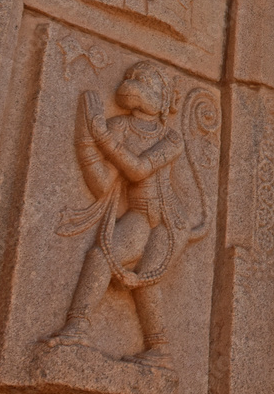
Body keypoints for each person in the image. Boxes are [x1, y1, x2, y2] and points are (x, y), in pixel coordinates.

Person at [48, 61, 187, 369]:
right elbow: (101, 185)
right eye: (130, 76)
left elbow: (138, 170)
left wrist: (102, 138)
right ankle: (77, 326)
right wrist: (86, 137)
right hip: (139, 214)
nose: (133, 82)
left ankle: (158, 348)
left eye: (145, 81)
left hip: (167, 221)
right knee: (101, 255)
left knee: (147, 279)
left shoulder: (172, 139)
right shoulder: (119, 127)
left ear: (164, 99)